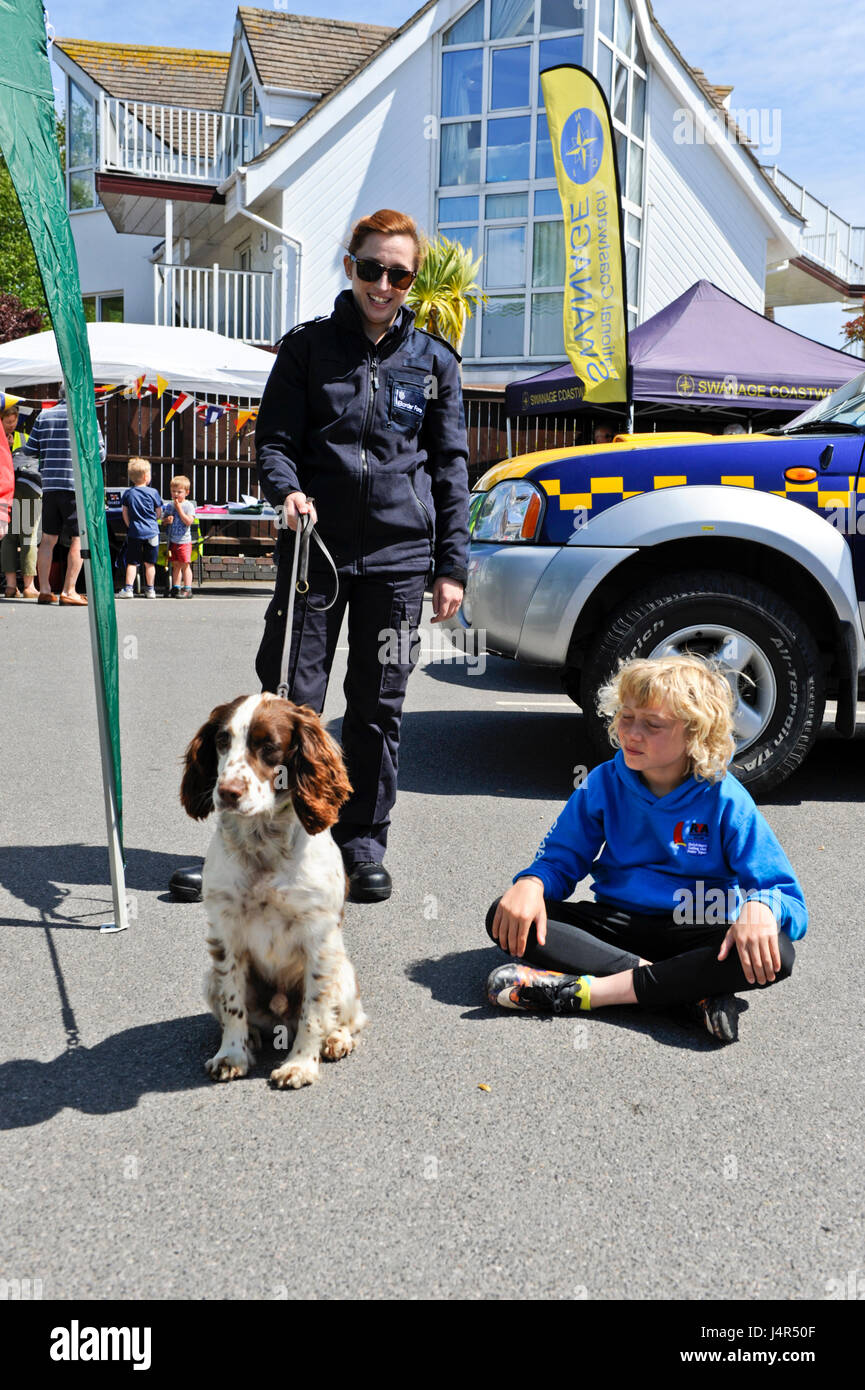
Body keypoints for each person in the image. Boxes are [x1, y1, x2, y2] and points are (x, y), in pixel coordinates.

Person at [168, 208, 470, 907]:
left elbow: (450, 468)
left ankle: (360, 845)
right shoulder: (306, 350)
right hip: (313, 555)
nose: (383, 284)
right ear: (350, 266)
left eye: (398, 274)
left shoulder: (434, 363)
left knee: (376, 708)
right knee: (287, 706)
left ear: (412, 281)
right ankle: (256, 846)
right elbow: (274, 440)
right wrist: (288, 490)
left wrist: (449, 565)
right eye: (372, 268)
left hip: (398, 561)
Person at [485, 656, 805, 1044]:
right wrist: (533, 882)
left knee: (779, 952)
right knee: (506, 916)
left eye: (652, 724)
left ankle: (591, 993)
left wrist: (763, 907)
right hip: (616, 924)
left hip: (695, 926)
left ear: (695, 734)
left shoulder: (726, 798)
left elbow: (788, 900)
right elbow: (561, 859)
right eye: (626, 716)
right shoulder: (603, 782)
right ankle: (685, 993)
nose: (632, 733)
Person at [21, 386, 105, 607]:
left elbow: (30, 450)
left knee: (48, 539)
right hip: (74, 486)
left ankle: (45, 590)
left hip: (49, 486)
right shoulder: (86, 417)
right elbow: (100, 454)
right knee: (78, 538)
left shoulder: (45, 415)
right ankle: (69, 590)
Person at [1, 403, 40, 598]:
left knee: (14, 534)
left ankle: (14, 586)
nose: (11, 425)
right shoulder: (22, 438)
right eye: (7, 422)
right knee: (22, 535)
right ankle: (26, 586)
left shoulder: (22, 437)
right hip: (19, 488)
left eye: (14, 421)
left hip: (15, 488)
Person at [118, 458, 163, 598]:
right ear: (145, 476)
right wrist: (154, 521)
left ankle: (128, 589)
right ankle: (150, 590)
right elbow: (159, 512)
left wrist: (129, 525)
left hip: (134, 532)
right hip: (152, 532)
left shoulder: (128, 493)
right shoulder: (153, 492)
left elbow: (124, 512)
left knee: (132, 562)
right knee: (150, 563)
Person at [161, 474, 196, 598]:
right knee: (175, 565)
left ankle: (187, 588)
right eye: (173, 491)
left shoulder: (188, 506)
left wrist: (179, 509)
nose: (176, 494)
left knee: (185, 564)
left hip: (184, 541)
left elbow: (188, 521)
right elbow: (163, 521)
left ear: (187, 492)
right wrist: (166, 520)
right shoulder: (170, 505)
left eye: (179, 492)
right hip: (173, 540)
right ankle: (176, 587)